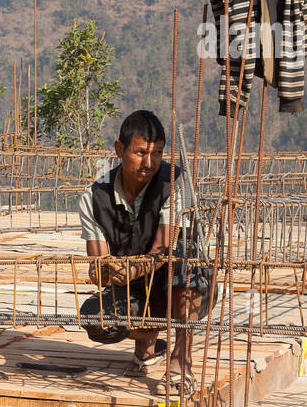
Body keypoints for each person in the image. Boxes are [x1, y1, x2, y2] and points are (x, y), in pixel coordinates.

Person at [77, 110, 212, 390]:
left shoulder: (175, 182)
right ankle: (146, 342)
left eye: (157, 153)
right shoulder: (94, 197)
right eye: (140, 153)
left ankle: (181, 358)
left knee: (184, 266)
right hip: (135, 291)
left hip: (178, 286)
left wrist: (132, 268)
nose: (148, 163)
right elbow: (99, 260)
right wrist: (103, 272)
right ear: (119, 149)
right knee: (96, 318)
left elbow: (163, 247)